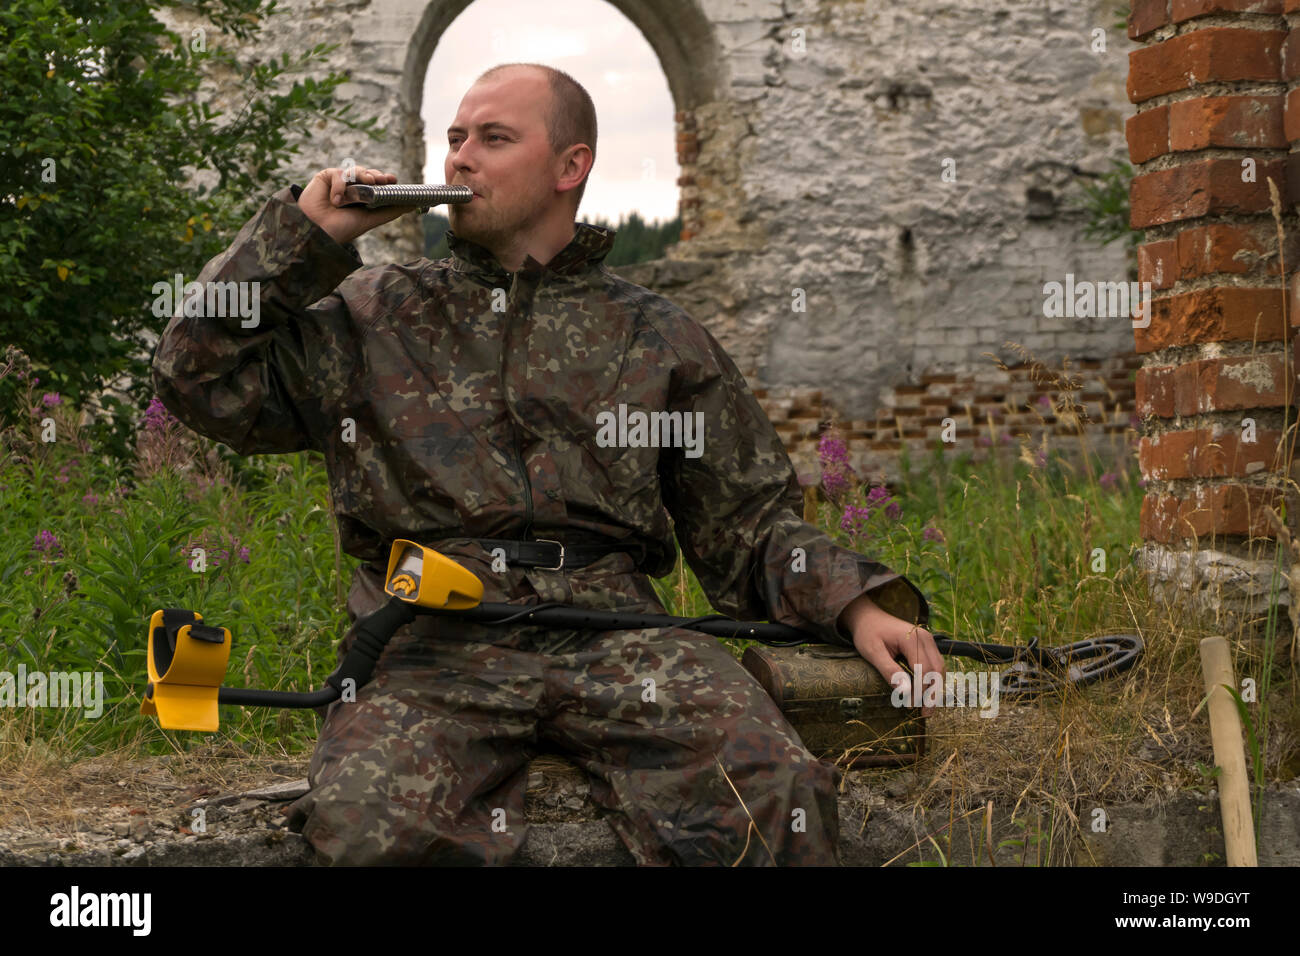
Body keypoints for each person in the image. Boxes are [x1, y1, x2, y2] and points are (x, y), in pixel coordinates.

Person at [151, 61, 945, 866]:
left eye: (494, 138)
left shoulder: (656, 335)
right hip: (431, 640)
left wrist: (856, 605)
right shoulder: (370, 314)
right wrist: (301, 238)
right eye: (455, 138)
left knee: (772, 794)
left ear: (571, 167)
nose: (461, 157)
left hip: (619, 636)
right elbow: (195, 377)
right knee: (368, 826)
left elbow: (747, 522)